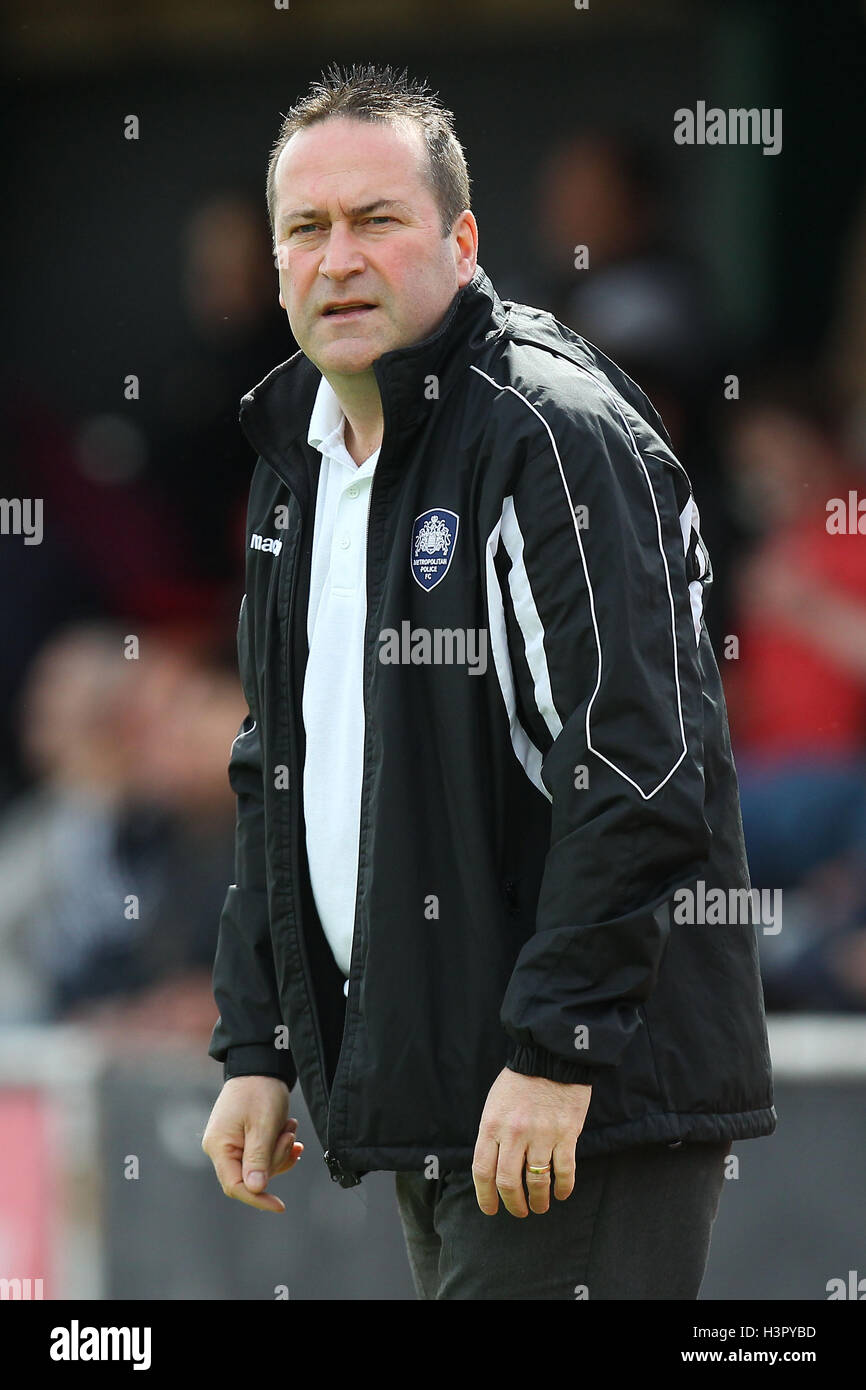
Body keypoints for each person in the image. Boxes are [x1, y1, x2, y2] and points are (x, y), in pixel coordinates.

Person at [201, 62, 775, 1301]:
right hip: (456, 1092)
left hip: (578, 1101)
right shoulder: (297, 456)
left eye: (376, 220)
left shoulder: (546, 430)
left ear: (460, 241)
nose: (336, 257)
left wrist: (556, 1051)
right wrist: (260, 1040)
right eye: (305, 228)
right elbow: (277, 763)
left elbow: (641, 763)